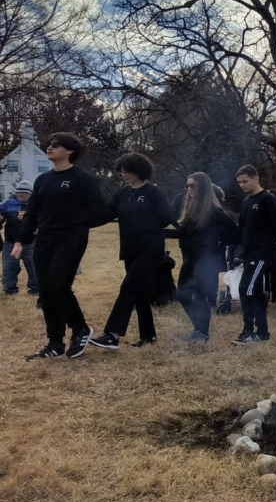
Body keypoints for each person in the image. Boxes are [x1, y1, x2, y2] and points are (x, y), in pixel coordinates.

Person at [14, 133, 107, 359]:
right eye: (49, 145)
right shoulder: (43, 180)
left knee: (58, 285)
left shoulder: (83, 179)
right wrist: (20, 240)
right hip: (45, 239)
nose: (50, 148)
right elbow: (33, 214)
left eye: (56, 145)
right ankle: (55, 343)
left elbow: (101, 213)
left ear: (70, 151)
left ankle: (81, 329)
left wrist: (76, 225)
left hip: (71, 239)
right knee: (45, 291)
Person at [89, 153, 176, 349]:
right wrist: (81, 220)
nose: (123, 174)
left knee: (128, 287)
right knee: (138, 293)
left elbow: (166, 217)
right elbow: (106, 214)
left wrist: (146, 224)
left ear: (140, 170)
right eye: (121, 170)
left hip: (150, 249)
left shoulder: (153, 193)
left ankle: (112, 335)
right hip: (130, 250)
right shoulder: (122, 193)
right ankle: (149, 337)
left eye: (127, 170)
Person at [165, 172, 239, 343]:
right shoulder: (190, 208)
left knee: (199, 295)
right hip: (190, 258)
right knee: (182, 295)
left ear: (204, 188)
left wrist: (219, 242)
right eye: (187, 186)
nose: (189, 189)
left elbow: (234, 233)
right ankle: (198, 328)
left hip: (207, 259)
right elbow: (181, 232)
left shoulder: (215, 210)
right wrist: (157, 233)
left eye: (193, 186)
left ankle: (202, 333)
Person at [232, 165, 276, 344]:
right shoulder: (246, 202)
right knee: (254, 291)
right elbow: (242, 229)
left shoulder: (267, 200)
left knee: (245, 289)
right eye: (239, 182)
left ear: (256, 178)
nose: (242, 185)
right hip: (249, 253)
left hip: (263, 252)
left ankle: (248, 332)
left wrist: (266, 241)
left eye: (245, 181)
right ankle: (262, 333)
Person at [1, 179, 38, 295]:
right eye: (18, 191)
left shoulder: (36, 205)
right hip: (10, 242)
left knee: (34, 267)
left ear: (30, 193)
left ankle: (35, 289)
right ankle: (10, 289)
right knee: (9, 267)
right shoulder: (8, 204)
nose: (20, 194)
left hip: (31, 242)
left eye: (24, 192)